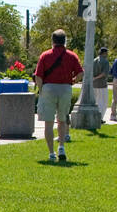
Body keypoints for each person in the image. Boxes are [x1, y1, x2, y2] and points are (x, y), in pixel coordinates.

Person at [33, 29, 84, 163]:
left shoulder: (45, 55)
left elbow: (38, 76)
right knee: (62, 120)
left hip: (48, 88)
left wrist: (41, 90)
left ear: (53, 41)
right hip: (65, 88)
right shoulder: (72, 56)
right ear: (65, 41)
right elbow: (80, 74)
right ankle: (61, 146)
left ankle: (51, 153)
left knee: (48, 123)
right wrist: (72, 81)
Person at [92, 46, 111, 118]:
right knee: (103, 102)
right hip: (102, 84)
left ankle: (95, 115)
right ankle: (100, 117)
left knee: (96, 101)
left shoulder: (94, 60)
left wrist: (93, 78)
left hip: (94, 84)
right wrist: (96, 78)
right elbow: (104, 73)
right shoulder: (105, 61)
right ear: (104, 53)